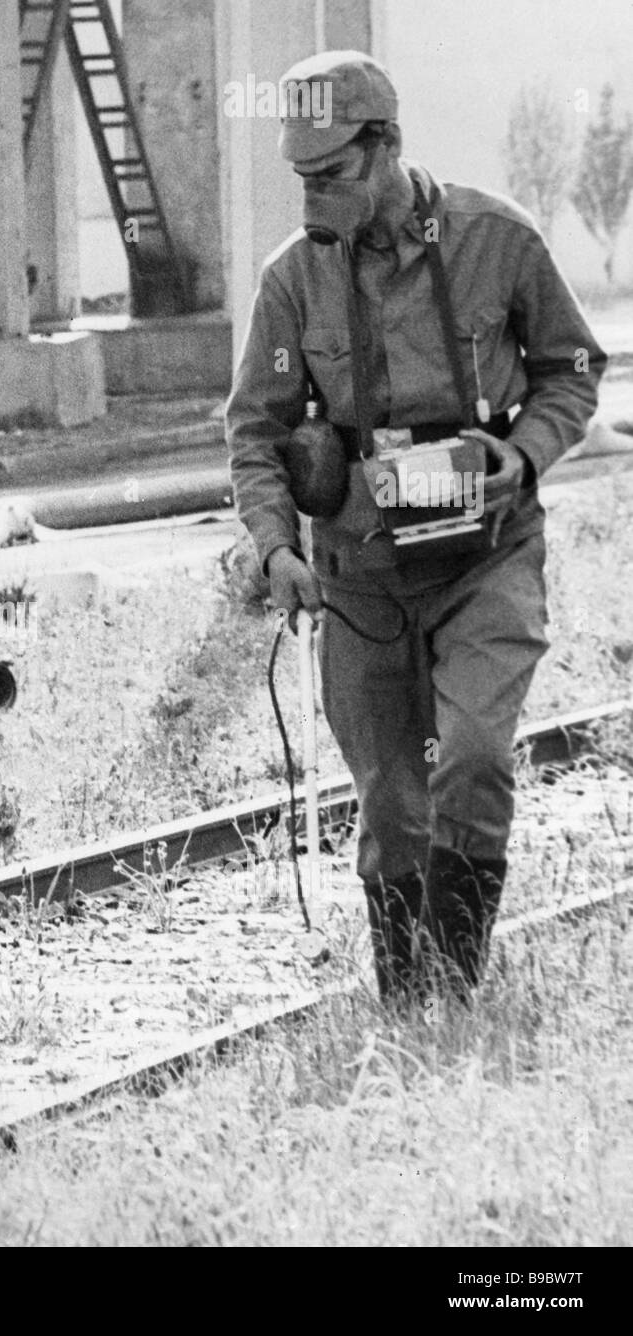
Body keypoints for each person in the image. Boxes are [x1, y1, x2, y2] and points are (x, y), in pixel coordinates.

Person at [225, 53, 604, 1007]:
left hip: (488, 558)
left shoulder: (497, 240)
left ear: (387, 145)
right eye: (301, 178)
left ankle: (455, 985)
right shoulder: (292, 280)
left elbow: (570, 367)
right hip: (362, 574)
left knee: (472, 758)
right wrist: (275, 547)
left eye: (332, 175)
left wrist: (520, 458)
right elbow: (256, 431)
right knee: (391, 804)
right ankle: (409, 1001)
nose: (314, 197)